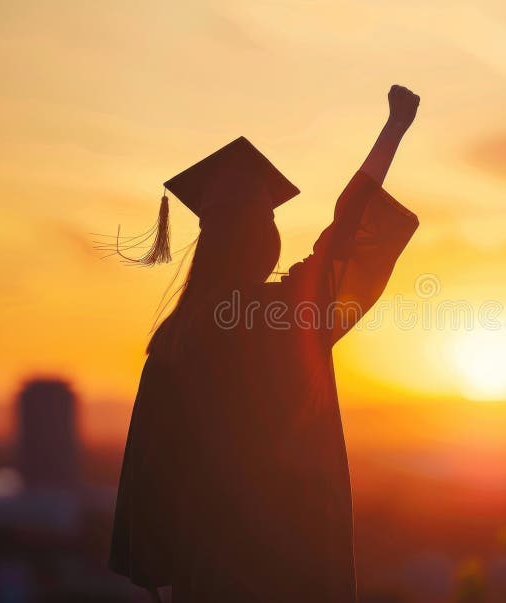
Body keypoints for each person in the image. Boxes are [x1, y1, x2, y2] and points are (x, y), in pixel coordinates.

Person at [109, 84, 420, 602]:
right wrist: (393, 130)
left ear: (210, 239)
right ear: (263, 239)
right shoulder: (288, 315)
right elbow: (345, 234)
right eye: (266, 221)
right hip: (296, 568)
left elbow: (149, 480)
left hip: (208, 574)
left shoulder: (174, 343)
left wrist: (161, 577)